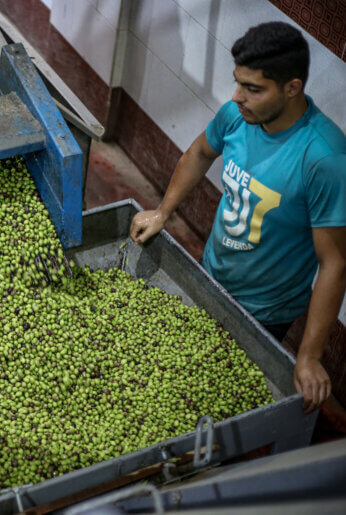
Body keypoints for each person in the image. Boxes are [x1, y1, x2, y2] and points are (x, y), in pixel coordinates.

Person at [129, 22, 346, 414]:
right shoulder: (237, 116)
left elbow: (335, 263)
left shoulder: (324, 158)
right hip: (209, 277)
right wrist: (163, 212)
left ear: (292, 88)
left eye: (253, 89)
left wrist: (310, 356)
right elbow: (198, 154)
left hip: (262, 313)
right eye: (237, 83)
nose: (237, 97)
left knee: (210, 407)